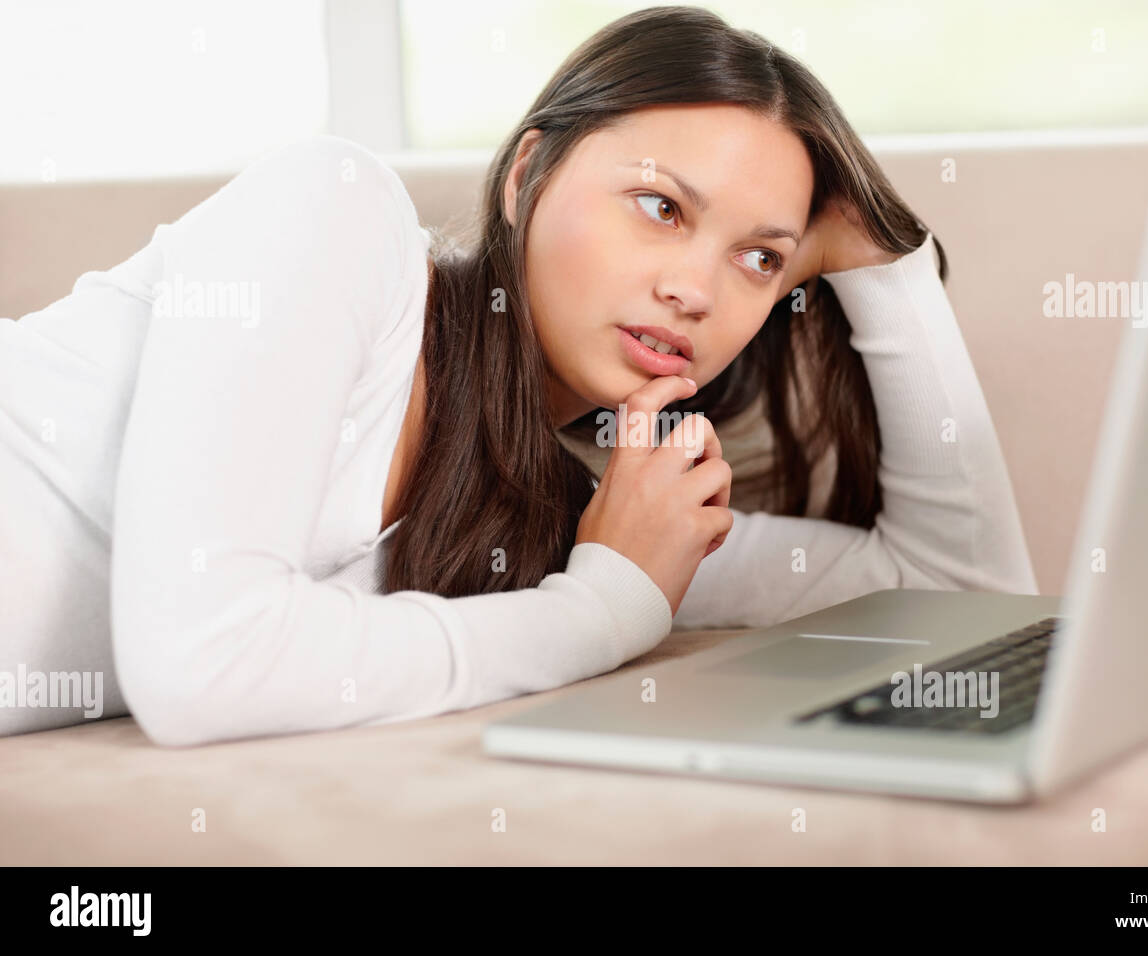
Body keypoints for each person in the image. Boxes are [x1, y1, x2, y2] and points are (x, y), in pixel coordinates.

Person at [0, 6, 1035, 746]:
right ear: (528, 174)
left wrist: (884, 267)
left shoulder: (596, 516)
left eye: (759, 257)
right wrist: (606, 609)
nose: (695, 289)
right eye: (662, 207)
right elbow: (200, 667)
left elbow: (969, 598)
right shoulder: (332, 215)